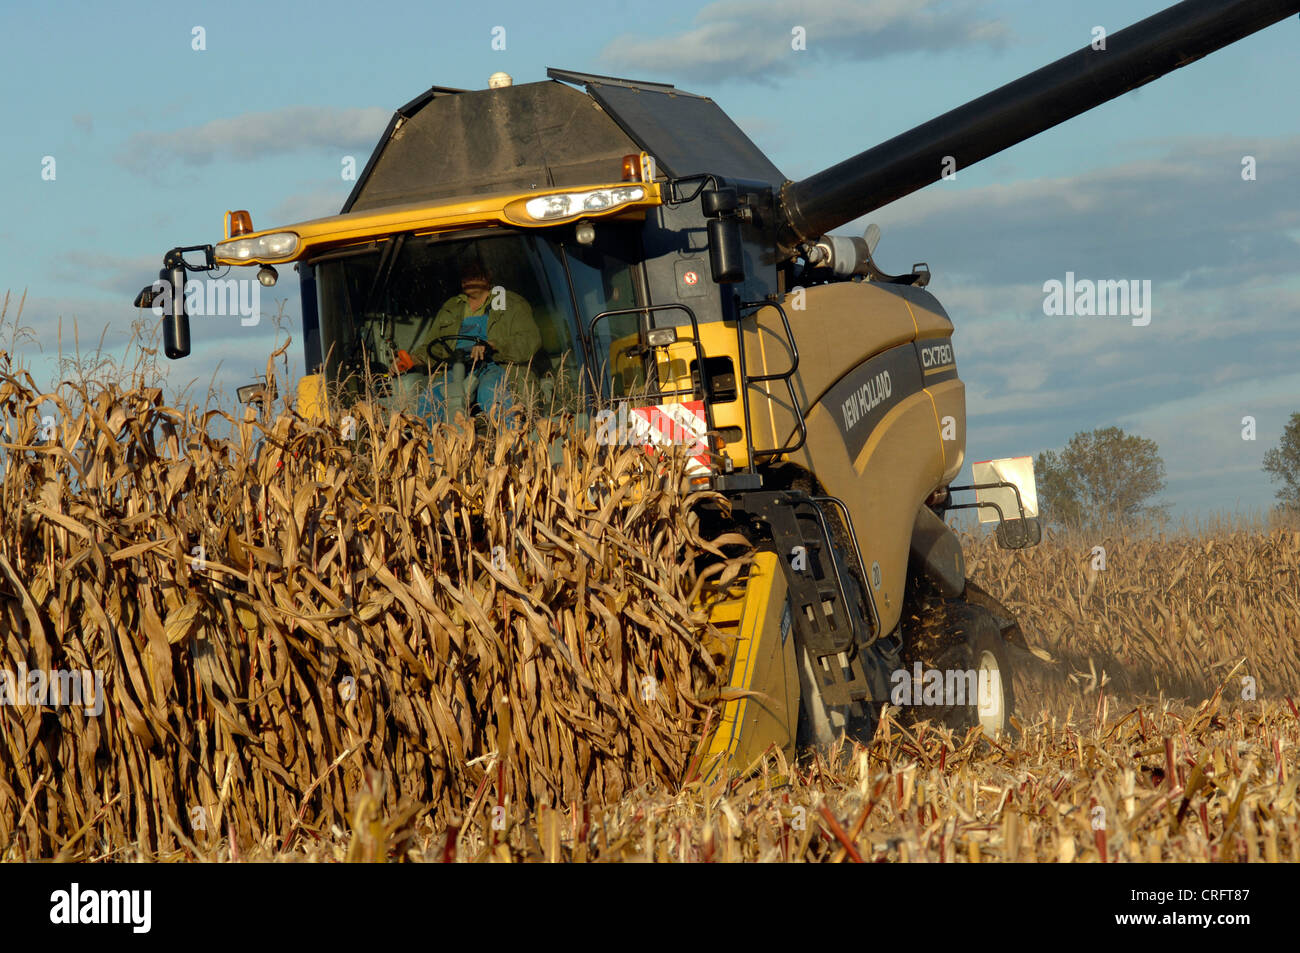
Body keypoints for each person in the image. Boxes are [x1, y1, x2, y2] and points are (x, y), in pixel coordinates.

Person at [393, 260, 541, 418]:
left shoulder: (510, 303)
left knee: (492, 394)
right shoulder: (452, 306)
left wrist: (493, 346)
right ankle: (433, 442)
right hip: (454, 367)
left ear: (488, 277)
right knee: (428, 401)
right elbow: (434, 345)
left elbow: (530, 340)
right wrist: (412, 359)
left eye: (475, 274)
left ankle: (510, 440)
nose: (469, 279)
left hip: (492, 366)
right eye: (465, 275)